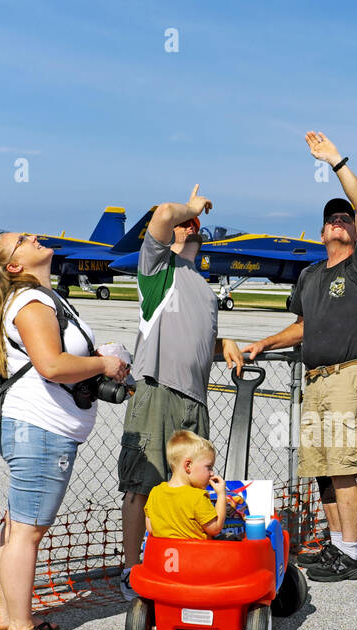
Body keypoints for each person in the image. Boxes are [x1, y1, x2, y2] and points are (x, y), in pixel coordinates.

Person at [0, 232, 129, 630]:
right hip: (41, 430)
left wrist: (95, 354)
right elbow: (53, 365)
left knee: (16, 523)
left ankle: (8, 614)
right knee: (28, 531)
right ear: (14, 266)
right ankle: (21, 628)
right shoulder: (32, 302)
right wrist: (105, 363)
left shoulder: (40, 296)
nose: (35, 237)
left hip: (35, 427)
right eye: (23, 240)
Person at [244, 131, 357, 584]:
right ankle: (337, 543)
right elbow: (303, 326)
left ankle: (352, 552)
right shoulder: (309, 275)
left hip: (348, 375)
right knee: (321, 468)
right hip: (317, 377)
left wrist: (336, 161)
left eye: (343, 219)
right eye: (331, 220)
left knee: (342, 464)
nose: (339, 222)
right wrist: (265, 343)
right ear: (321, 232)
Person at [118, 185, 245, 599]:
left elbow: (193, 336)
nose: (191, 223)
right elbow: (161, 214)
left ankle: (184, 561)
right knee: (143, 484)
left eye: (196, 222)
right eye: (184, 222)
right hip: (156, 390)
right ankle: (131, 570)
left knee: (194, 487)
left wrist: (221, 343)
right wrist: (189, 207)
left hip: (195, 399)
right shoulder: (159, 270)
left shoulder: (205, 289)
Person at [144, 430, 229, 539]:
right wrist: (221, 495)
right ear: (188, 466)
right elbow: (215, 528)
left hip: (164, 553)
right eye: (209, 467)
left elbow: (151, 528)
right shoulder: (197, 497)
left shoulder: (155, 493)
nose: (212, 473)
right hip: (195, 554)